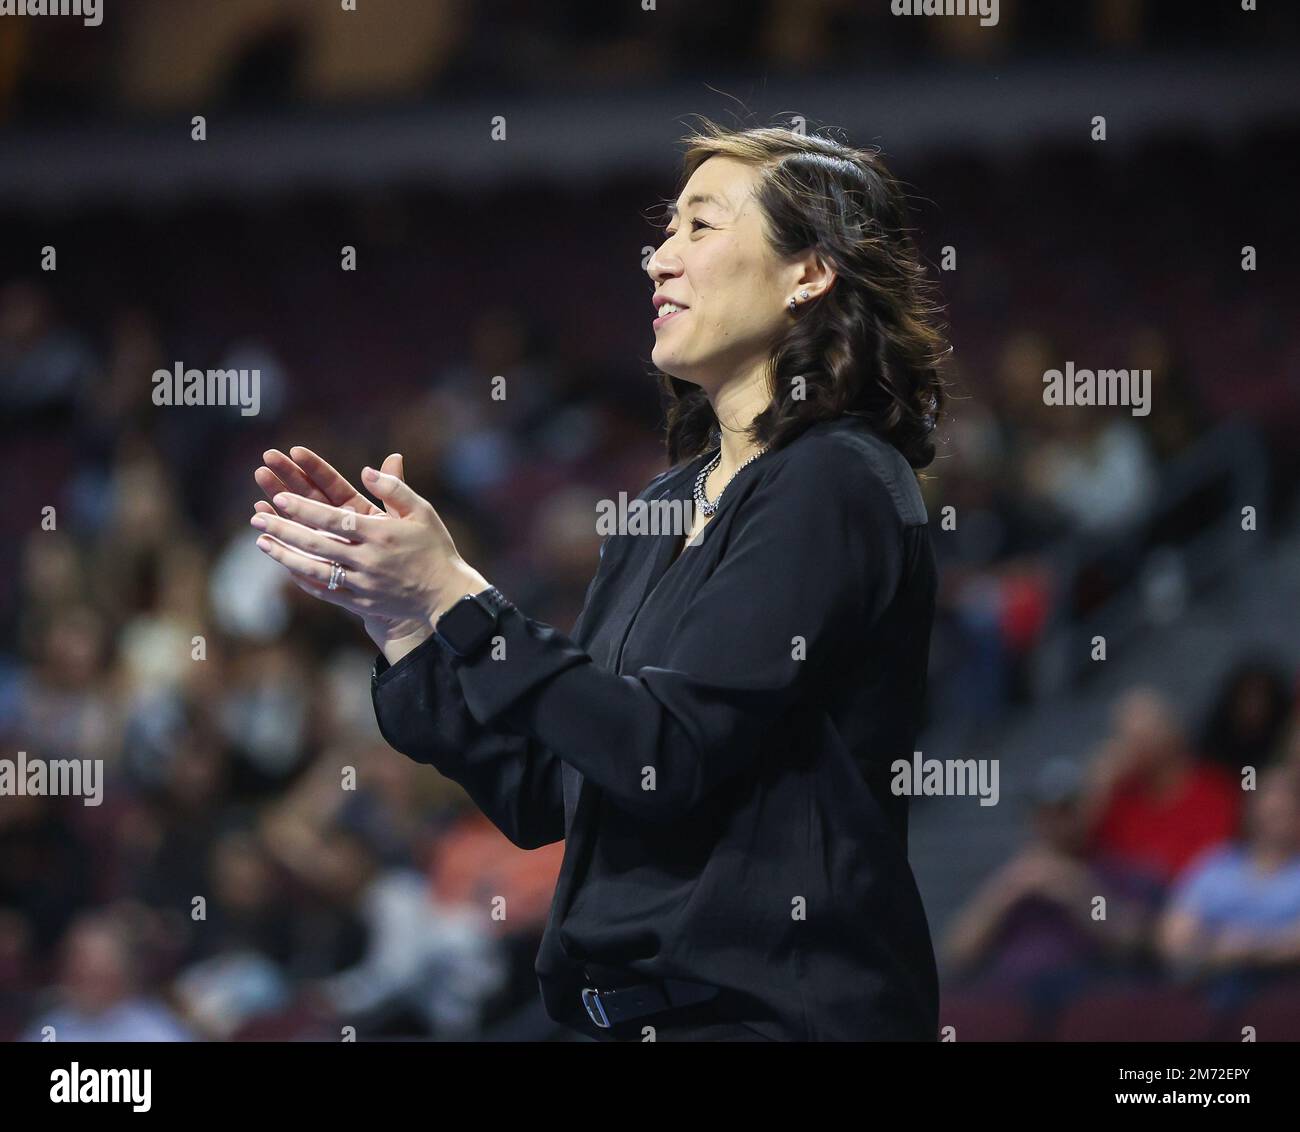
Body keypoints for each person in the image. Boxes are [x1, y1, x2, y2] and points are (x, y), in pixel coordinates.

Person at [248, 120, 948, 1041]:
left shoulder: (832, 479)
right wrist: (408, 624)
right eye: (665, 232)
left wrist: (458, 591)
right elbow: (556, 788)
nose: (659, 260)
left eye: (701, 228)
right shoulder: (665, 507)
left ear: (808, 272)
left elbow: (669, 752)